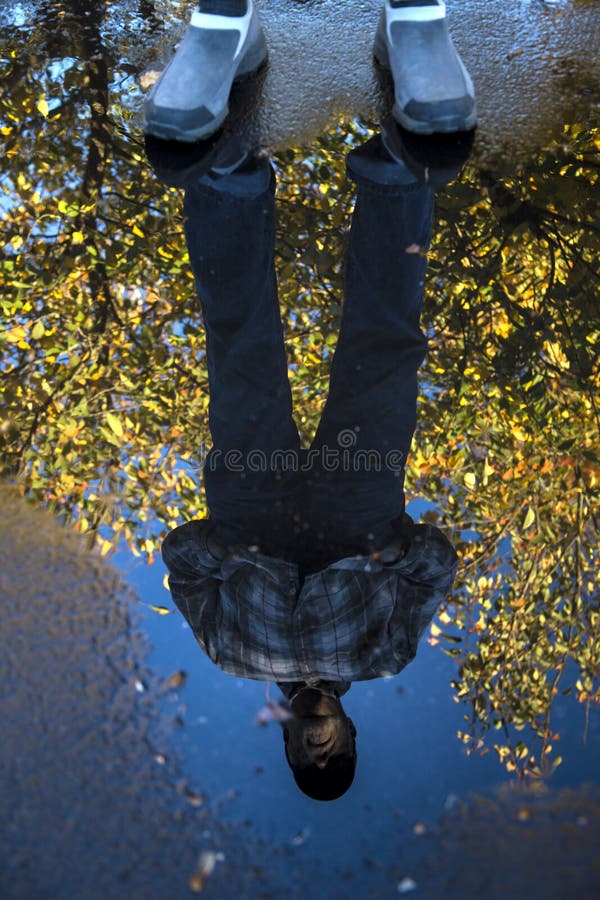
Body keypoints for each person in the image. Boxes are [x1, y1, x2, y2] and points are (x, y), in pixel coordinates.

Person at [149, 0, 475, 802]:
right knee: (384, 346)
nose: (321, 751)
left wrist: (229, 553)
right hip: (359, 508)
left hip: (250, 504)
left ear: (291, 748)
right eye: (338, 759)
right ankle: (399, 176)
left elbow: (181, 567)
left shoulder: (230, 655)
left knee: (241, 346)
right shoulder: (385, 654)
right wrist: (384, 556)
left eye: (308, 763)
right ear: (353, 736)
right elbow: (438, 565)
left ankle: (226, 183)